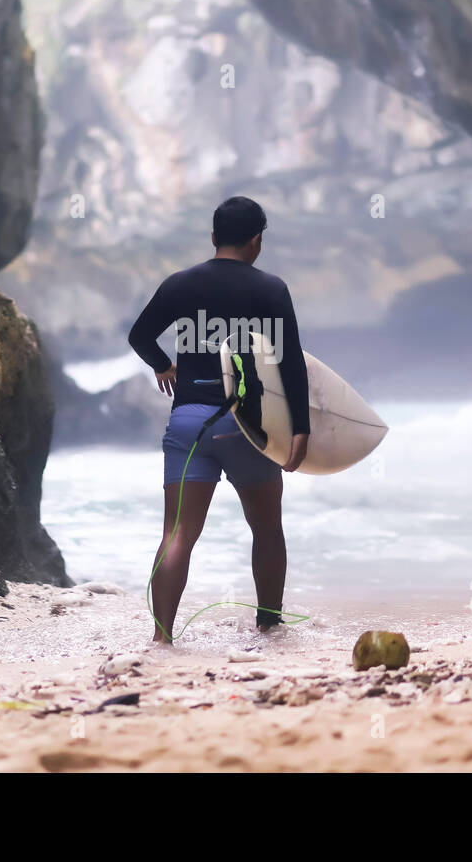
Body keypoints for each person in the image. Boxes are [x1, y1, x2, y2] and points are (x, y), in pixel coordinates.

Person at [128, 196, 310, 642]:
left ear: (213, 238)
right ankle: (268, 625)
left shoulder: (179, 284)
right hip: (245, 424)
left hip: (188, 420)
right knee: (266, 527)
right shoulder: (270, 289)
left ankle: (161, 637)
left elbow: (139, 335)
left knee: (178, 534)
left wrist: (162, 364)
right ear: (256, 241)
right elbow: (291, 366)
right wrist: (301, 428)